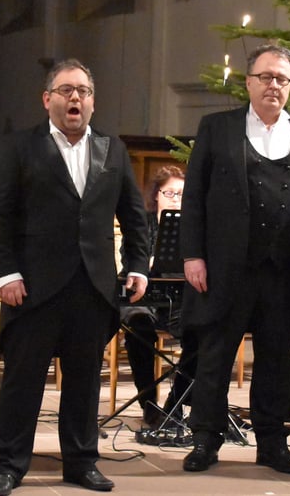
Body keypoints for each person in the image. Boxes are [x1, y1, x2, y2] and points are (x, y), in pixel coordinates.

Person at [0, 59, 150, 496]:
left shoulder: (112, 150)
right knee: (23, 381)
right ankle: (8, 464)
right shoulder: (20, 147)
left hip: (93, 287)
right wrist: (6, 275)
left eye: (83, 91)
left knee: (83, 382)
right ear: (47, 99)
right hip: (33, 287)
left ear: (93, 101)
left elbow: (134, 216)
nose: (75, 98)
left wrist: (136, 266)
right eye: (66, 90)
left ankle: (81, 462)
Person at [179, 43, 290, 476]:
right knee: (215, 357)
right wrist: (193, 254)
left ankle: (271, 443)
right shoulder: (217, 128)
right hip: (228, 264)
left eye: (282, 79)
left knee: (276, 360)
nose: (273, 85)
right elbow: (194, 197)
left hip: (286, 269)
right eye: (265, 77)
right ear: (248, 82)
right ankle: (205, 441)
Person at [120, 165, 198, 427]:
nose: (176, 199)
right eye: (170, 193)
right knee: (138, 330)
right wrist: (147, 262)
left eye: (181, 195)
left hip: (181, 298)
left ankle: (175, 402)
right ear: (157, 195)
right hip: (143, 296)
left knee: (200, 331)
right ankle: (149, 405)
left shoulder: (194, 227)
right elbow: (128, 259)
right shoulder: (141, 223)